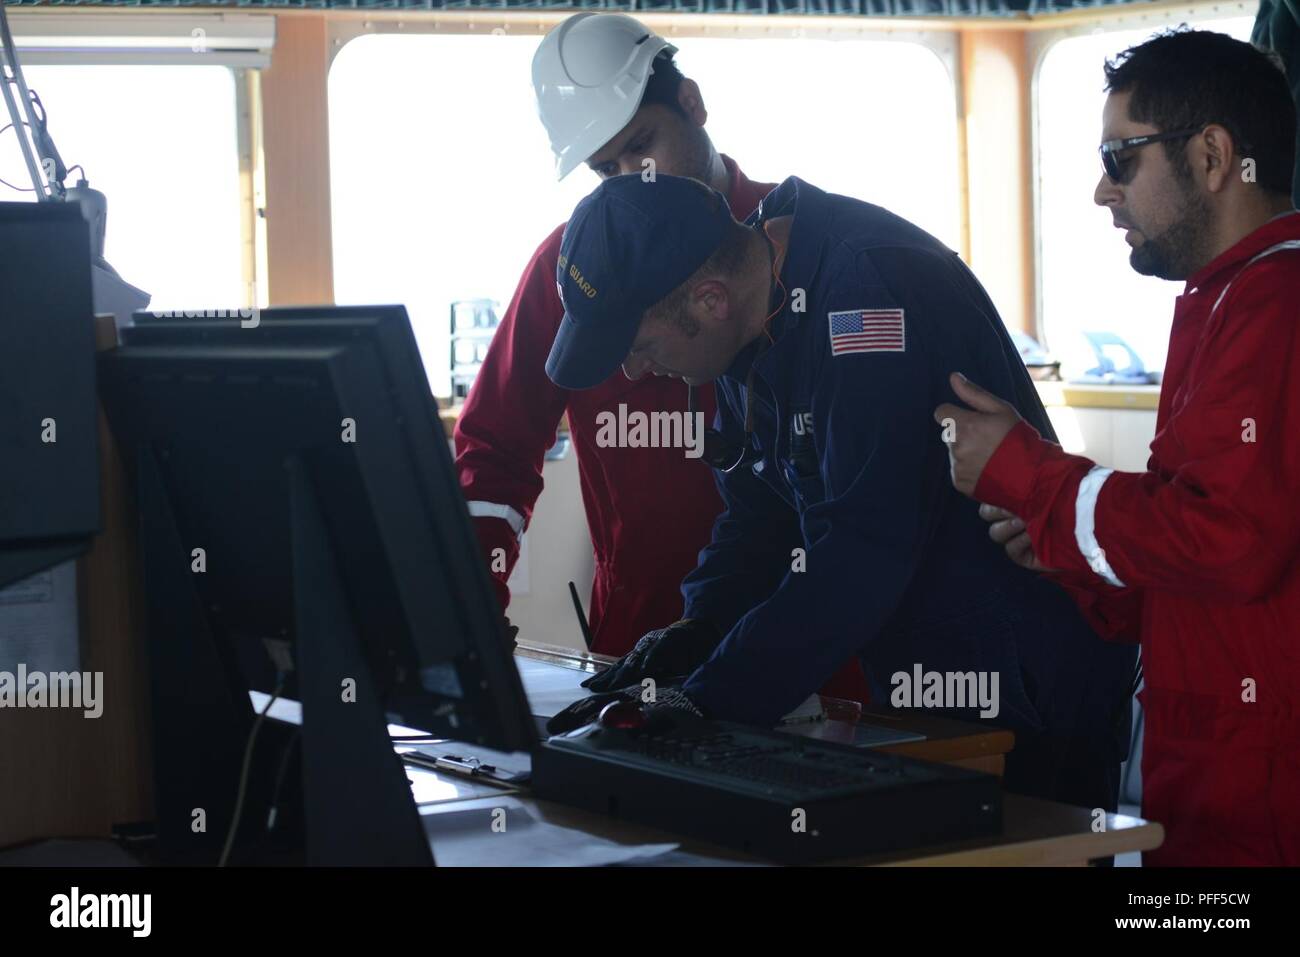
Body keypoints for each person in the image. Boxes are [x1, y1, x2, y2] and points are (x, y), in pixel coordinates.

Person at [544, 172, 1137, 813]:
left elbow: (864, 546)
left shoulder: (869, 298)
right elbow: (758, 514)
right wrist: (699, 627)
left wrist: (706, 700)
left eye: (638, 345)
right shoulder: (758, 303)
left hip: (1021, 684)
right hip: (925, 678)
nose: (633, 370)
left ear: (709, 300)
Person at [938, 29, 1300, 865]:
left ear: (1212, 156)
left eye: (1120, 156)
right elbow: (1191, 561)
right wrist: (1063, 549)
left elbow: (1230, 542)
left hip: (1260, 812)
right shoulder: (1226, 298)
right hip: (1209, 790)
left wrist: (1030, 476)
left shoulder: (1276, 302)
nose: (1103, 190)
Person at [453, 13, 869, 704]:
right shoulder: (571, 274)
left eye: (641, 148)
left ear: (693, 104)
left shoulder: (805, 246)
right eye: (606, 169)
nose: (632, 182)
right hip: (637, 648)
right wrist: (467, 616)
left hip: (818, 653)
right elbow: (493, 453)